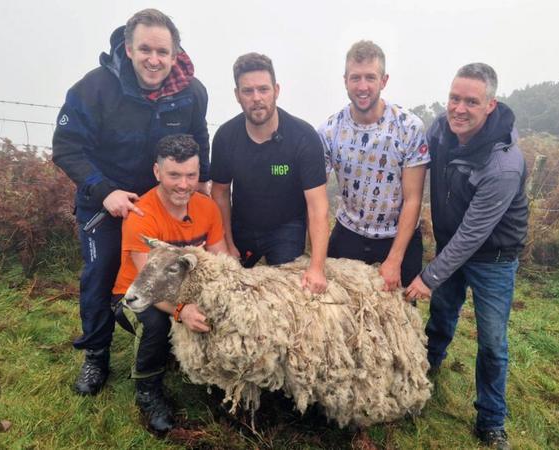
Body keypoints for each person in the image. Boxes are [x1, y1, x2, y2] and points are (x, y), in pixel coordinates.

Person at [52, 8, 210, 397]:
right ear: (128, 47)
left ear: (175, 54)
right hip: (105, 197)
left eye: (162, 52)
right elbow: (66, 147)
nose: (153, 60)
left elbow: (199, 138)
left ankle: (170, 343)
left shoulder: (192, 92)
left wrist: (200, 186)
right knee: (102, 272)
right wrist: (104, 191)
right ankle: (96, 355)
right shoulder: (94, 88)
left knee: (178, 272)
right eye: (145, 50)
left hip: (161, 202)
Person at [404, 63, 529, 450]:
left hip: (493, 258)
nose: (459, 108)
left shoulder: (503, 164)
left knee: (492, 341)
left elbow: (474, 234)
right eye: (454, 98)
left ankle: (491, 420)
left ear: (490, 105)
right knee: (442, 314)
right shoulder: (439, 131)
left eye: (471, 102)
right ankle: (428, 367)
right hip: (449, 245)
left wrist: (428, 276)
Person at [112, 134, 226, 433]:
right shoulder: (142, 215)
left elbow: (221, 261)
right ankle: (148, 390)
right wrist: (181, 311)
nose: (183, 184)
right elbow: (150, 285)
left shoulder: (208, 208)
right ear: (157, 171)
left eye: (191, 175)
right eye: (174, 175)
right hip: (136, 293)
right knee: (156, 325)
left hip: (186, 289)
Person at [210, 53, 329, 293]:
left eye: (263, 89)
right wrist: (228, 243)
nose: (257, 98)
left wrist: (317, 267)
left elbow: (318, 207)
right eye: (248, 91)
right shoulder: (225, 137)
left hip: (286, 227)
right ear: (237, 95)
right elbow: (220, 193)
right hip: (242, 225)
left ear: (276, 90)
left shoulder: (303, 137)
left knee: (285, 295)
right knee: (231, 292)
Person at [317, 40, 428, 291]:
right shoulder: (329, 131)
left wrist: (394, 259)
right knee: (340, 312)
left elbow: (413, 199)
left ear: (384, 80)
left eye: (370, 77)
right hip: (349, 233)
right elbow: (317, 197)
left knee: (398, 317)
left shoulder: (409, 127)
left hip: (397, 236)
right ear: (345, 80)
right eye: (355, 78)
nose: (363, 86)